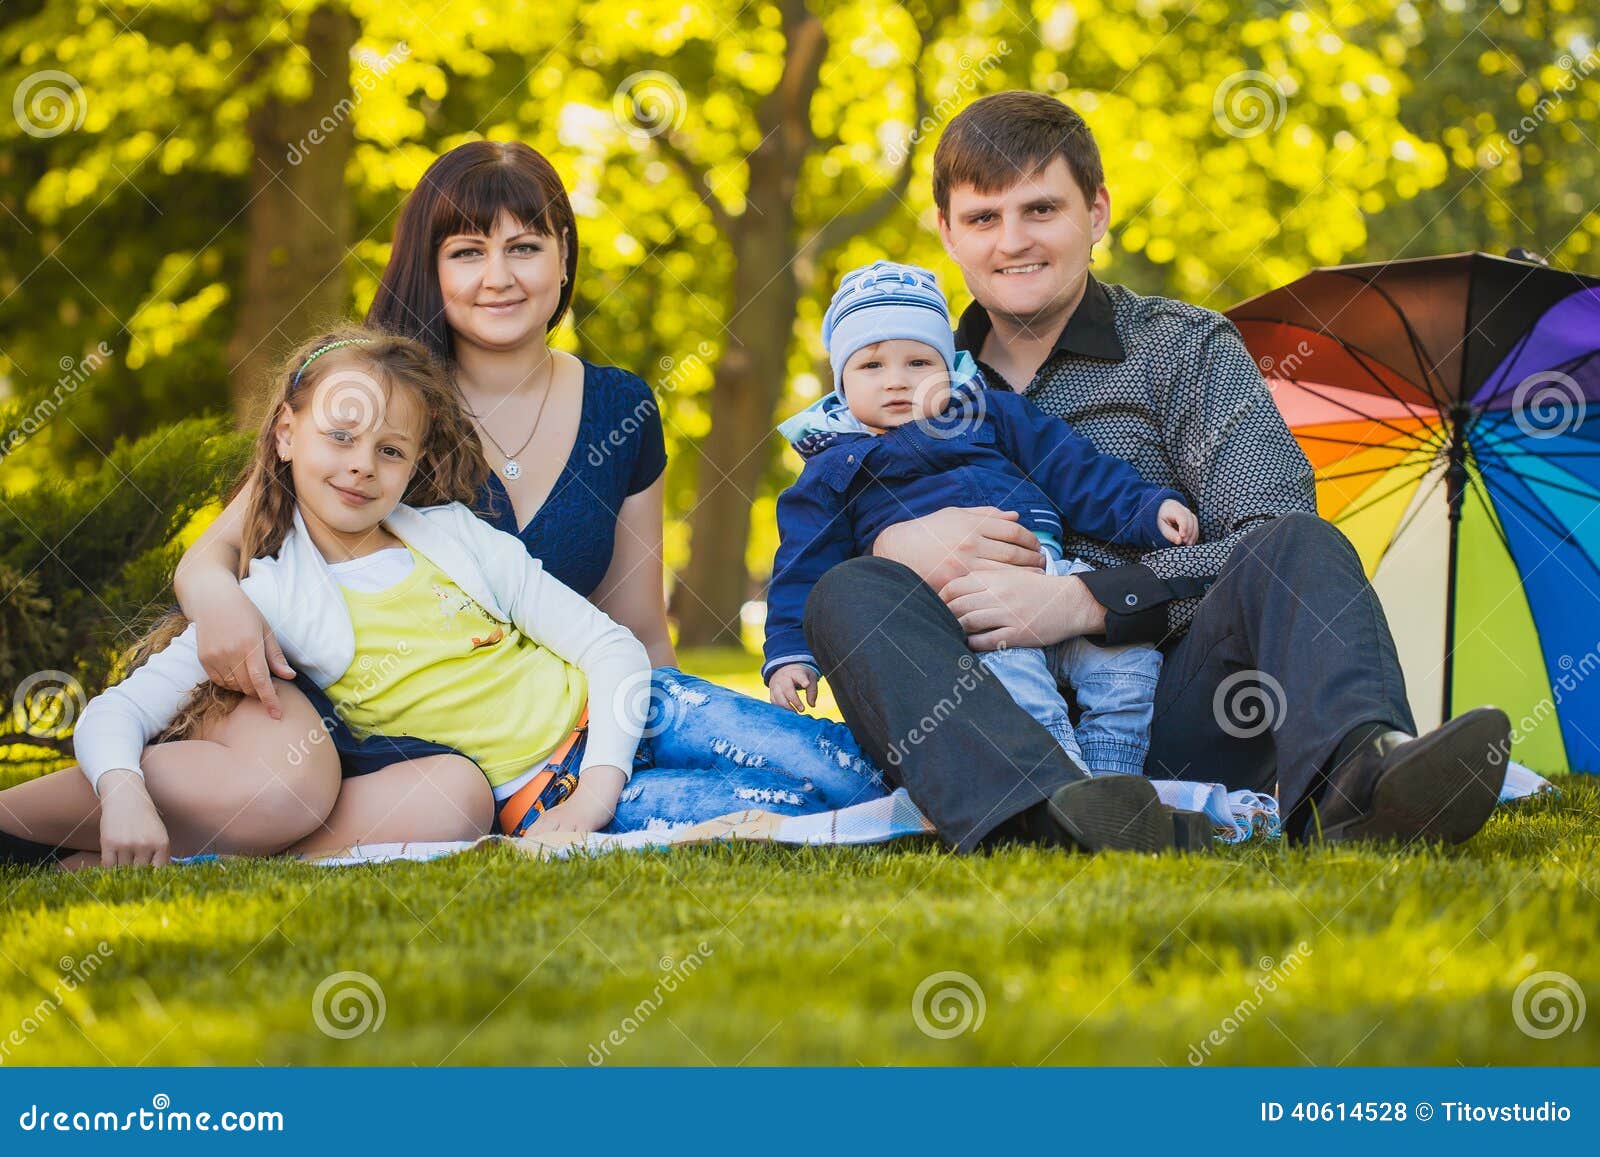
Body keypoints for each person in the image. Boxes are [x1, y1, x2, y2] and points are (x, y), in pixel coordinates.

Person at [801, 92, 1510, 854]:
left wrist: (1083, 602)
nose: (1012, 241)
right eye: (983, 217)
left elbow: (1262, 532)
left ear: (1096, 213)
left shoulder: (1185, 350)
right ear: (947, 231)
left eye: (1041, 209)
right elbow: (816, 560)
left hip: (1176, 711)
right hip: (980, 712)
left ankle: (1363, 785)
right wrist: (891, 549)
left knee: (1298, 543)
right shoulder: (889, 378)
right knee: (846, 588)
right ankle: (1047, 817)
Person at [144, 139, 880, 849]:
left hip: (604, 713)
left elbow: (638, 628)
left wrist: (661, 745)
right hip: (446, 760)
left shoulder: (620, 409)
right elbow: (214, 554)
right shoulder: (379, 405)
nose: (498, 276)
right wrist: (220, 603)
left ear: (564, 258)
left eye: (524, 247)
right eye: (467, 252)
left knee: (830, 777)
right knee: (776, 810)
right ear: (430, 269)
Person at [0, 328, 887, 869]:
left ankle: (967, 777)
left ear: (413, 464)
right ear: (286, 433)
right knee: (793, 815)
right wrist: (122, 793)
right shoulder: (274, 596)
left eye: (390, 450)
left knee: (845, 768)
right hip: (540, 796)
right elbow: (116, 713)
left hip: (641, 712)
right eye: (340, 437)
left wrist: (597, 791)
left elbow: (610, 646)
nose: (362, 466)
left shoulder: (453, 536)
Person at [765, 260, 1197, 790]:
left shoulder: (991, 414)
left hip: (1053, 578)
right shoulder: (833, 469)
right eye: (871, 365)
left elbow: (1076, 471)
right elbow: (803, 568)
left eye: (919, 362)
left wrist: (1147, 509)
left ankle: (1115, 780)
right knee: (1020, 693)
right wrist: (789, 653)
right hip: (969, 611)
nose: (897, 381)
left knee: (1129, 664)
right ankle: (1063, 789)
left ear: (947, 367)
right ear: (841, 382)